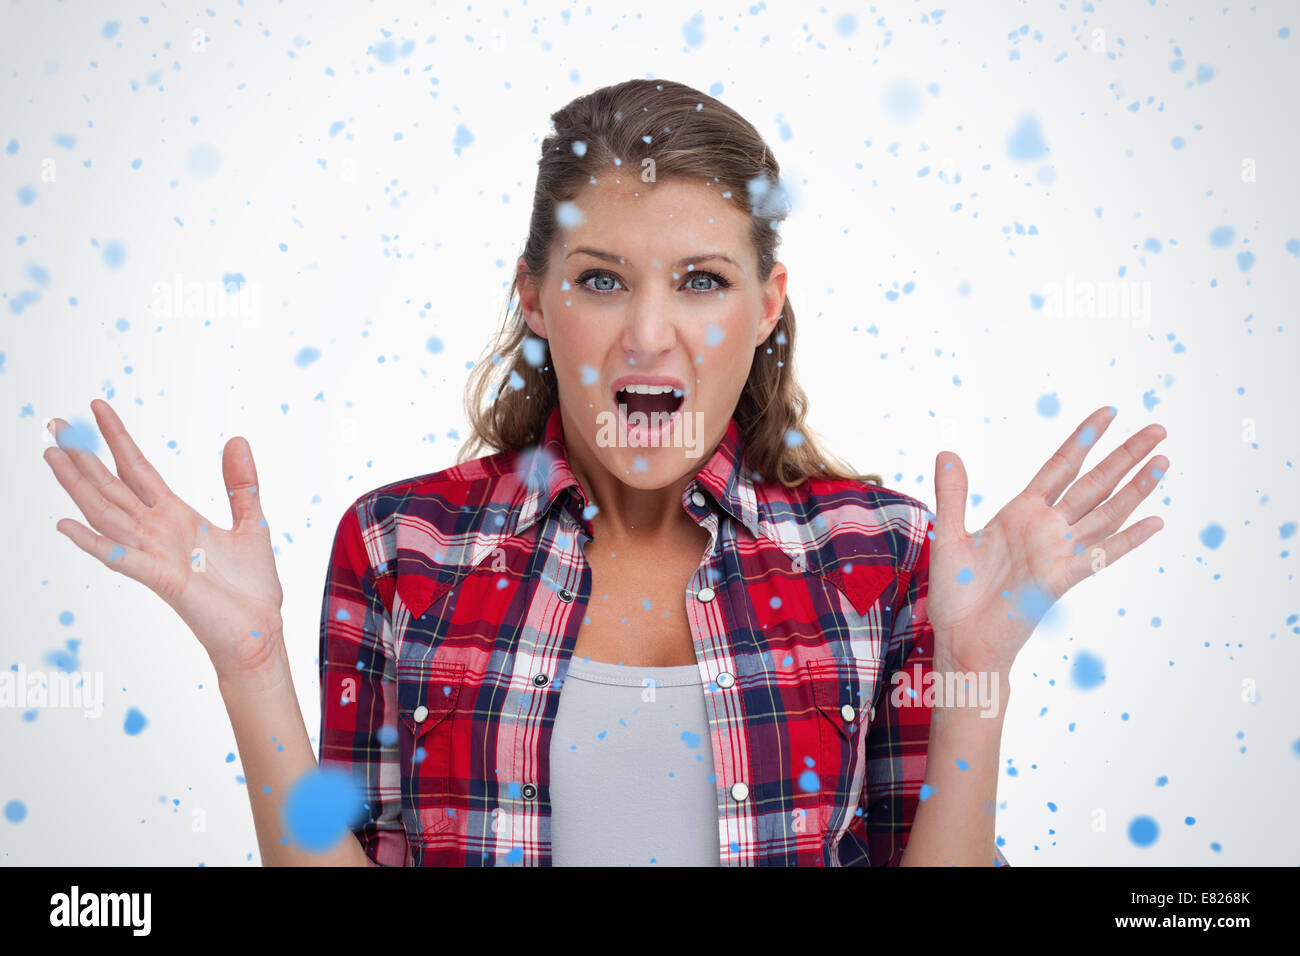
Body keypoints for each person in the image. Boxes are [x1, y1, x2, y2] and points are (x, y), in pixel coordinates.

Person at [42, 78, 1168, 867]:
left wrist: (977, 673)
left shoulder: (883, 554)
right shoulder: (403, 547)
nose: (647, 335)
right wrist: (249, 666)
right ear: (532, 296)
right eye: (598, 280)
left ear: (766, 306)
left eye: (699, 280)